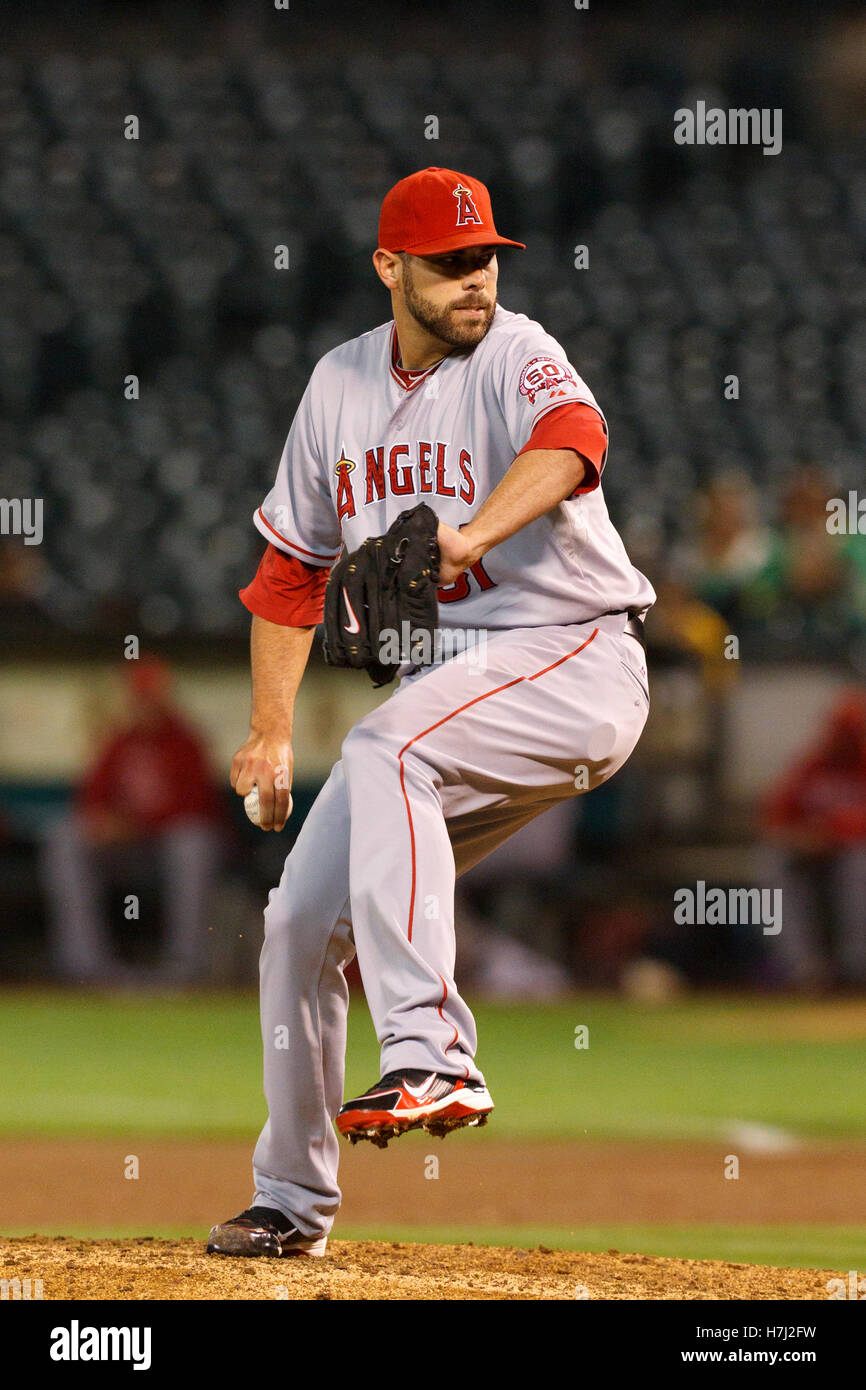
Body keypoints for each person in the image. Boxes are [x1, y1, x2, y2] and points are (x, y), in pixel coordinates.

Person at [207, 167, 654, 1259]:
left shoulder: (514, 350)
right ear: (388, 267)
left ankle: (431, 1049)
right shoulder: (337, 386)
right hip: (454, 696)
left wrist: (470, 535)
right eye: (451, 262)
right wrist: (267, 730)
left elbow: (572, 438)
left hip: (573, 656)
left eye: (485, 257)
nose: (475, 280)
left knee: (385, 742)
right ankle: (290, 1200)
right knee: (298, 925)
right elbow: (286, 571)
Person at [40, 655, 223, 983]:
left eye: (150, 696)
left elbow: (199, 808)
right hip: (124, 854)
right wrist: (105, 823)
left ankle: (185, 968)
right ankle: (86, 966)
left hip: (166, 851)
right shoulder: (118, 741)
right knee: (65, 837)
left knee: (193, 843)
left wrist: (136, 823)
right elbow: (89, 801)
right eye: (138, 697)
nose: (144, 704)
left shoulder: (185, 741)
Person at [761, 688, 866, 989]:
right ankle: (803, 968)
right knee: (775, 864)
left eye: (852, 733)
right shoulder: (812, 766)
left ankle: (857, 969)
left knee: (858, 867)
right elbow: (774, 818)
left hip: (853, 857)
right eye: (841, 732)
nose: (845, 739)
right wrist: (799, 838)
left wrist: (832, 832)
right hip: (816, 857)